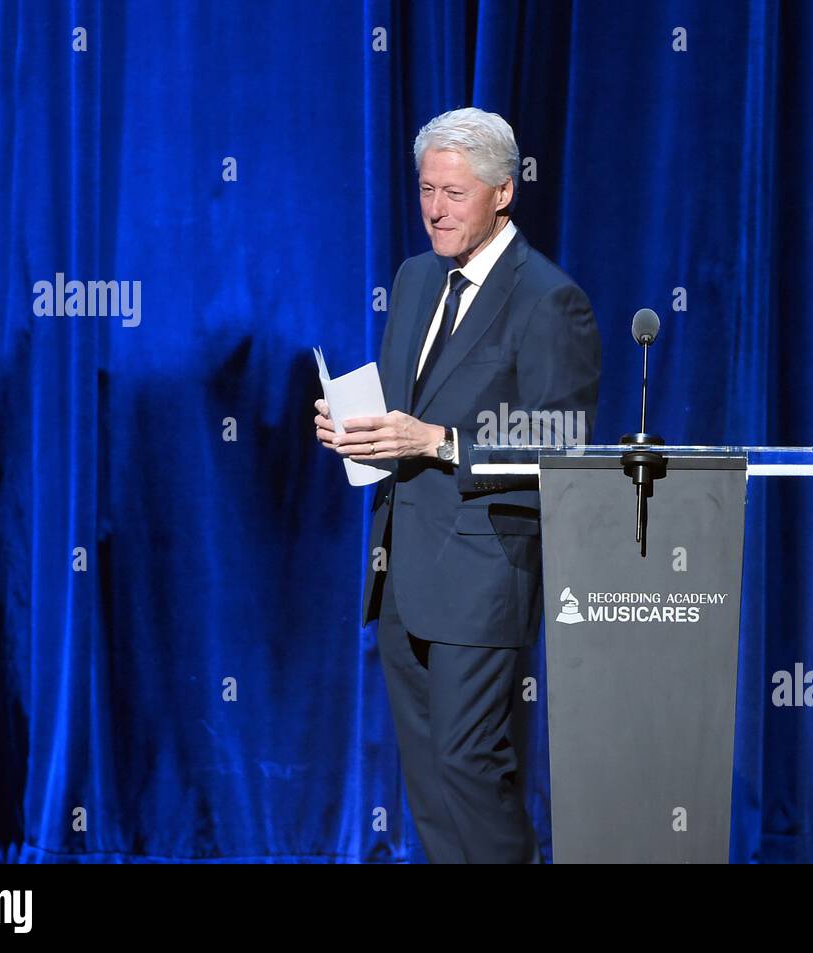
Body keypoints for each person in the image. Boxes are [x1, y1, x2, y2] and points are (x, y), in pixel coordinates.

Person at [315, 107, 601, 863]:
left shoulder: (548, 299)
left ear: (502, 193)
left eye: (454, 193)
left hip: (482, 574)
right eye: (425, 190)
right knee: (431, 784)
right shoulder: (415, 279)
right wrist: (361, 433)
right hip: (403, 570)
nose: (434, 209)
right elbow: (406, 414)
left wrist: (440, 442)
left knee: (470, 767)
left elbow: (561, 443)